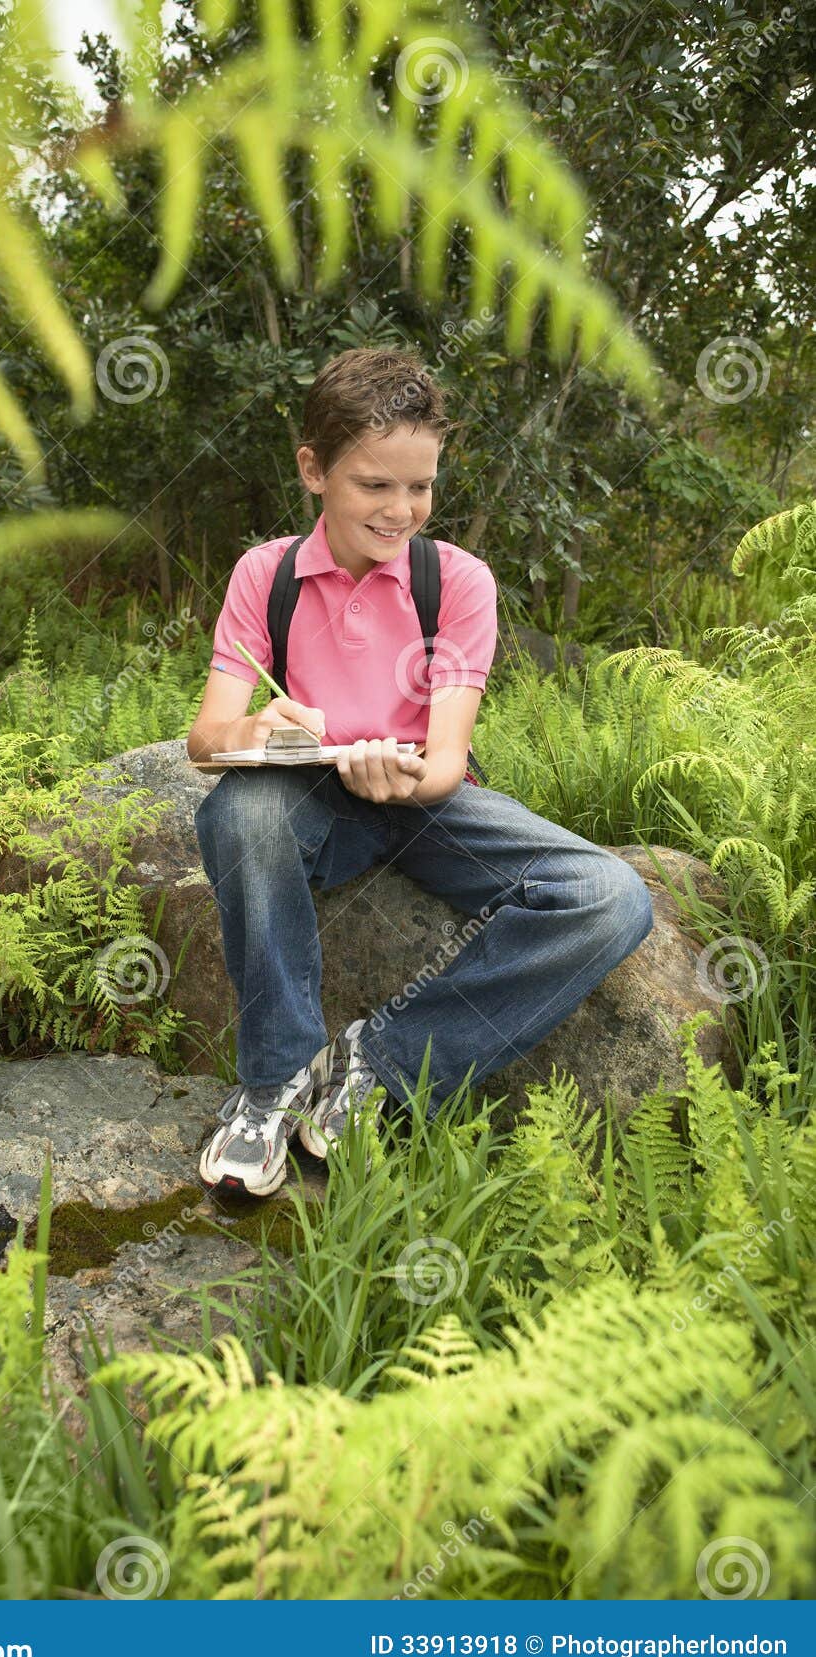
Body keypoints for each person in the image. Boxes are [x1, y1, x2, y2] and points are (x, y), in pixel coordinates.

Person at [187, 347, 654, 1197]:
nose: (400, 509)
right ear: (313, 471)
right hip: (309, 800)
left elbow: (444, 767)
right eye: (375, 485)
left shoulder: (458, 583)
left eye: (420, 486)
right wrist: (261, 725)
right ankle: (274, 1080)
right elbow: (204, 741)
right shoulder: (267, 576)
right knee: (239, 815)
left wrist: (396, 775)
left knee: (610, 897)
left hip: (425, 803)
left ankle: (379, 1063)